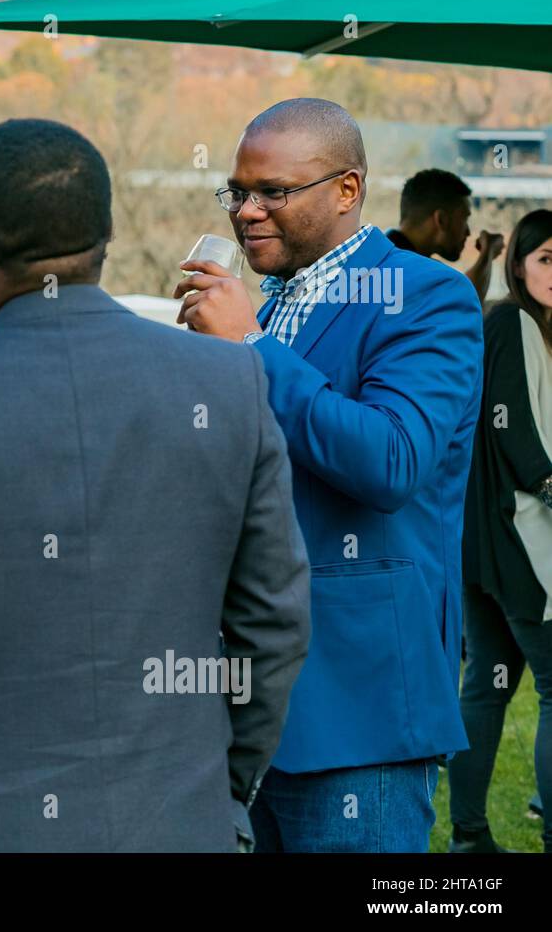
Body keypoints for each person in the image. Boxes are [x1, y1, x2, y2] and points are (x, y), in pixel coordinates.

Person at [0, 118, 311, 852]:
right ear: (102, 239)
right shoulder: (231, 384)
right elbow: (275, 628)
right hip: (173, 817)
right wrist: (219, 785)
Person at [176, 98, 483, 852]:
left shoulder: (426, 294)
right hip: (231, 701)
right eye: (237, 191)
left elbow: (391, 459)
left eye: (273, 192)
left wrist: (250, 347)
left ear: (346, 191)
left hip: (358, 700)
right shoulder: (267, 305)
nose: (248, 211)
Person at [452, 208, 552, 854]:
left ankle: (468, 838)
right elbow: (511, 428)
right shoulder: (510, 321)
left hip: (483, 546)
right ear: (518, 263)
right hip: (519, 539)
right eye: (546, 260)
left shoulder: (530, 328)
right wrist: (548, 481)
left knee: (487, 686)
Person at [385, 168, 504, 304]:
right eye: (464, 220)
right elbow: (464, 302)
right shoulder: (404, 270)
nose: (468, 232)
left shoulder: (380, 257)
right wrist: (487, 253)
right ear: (441, 220)